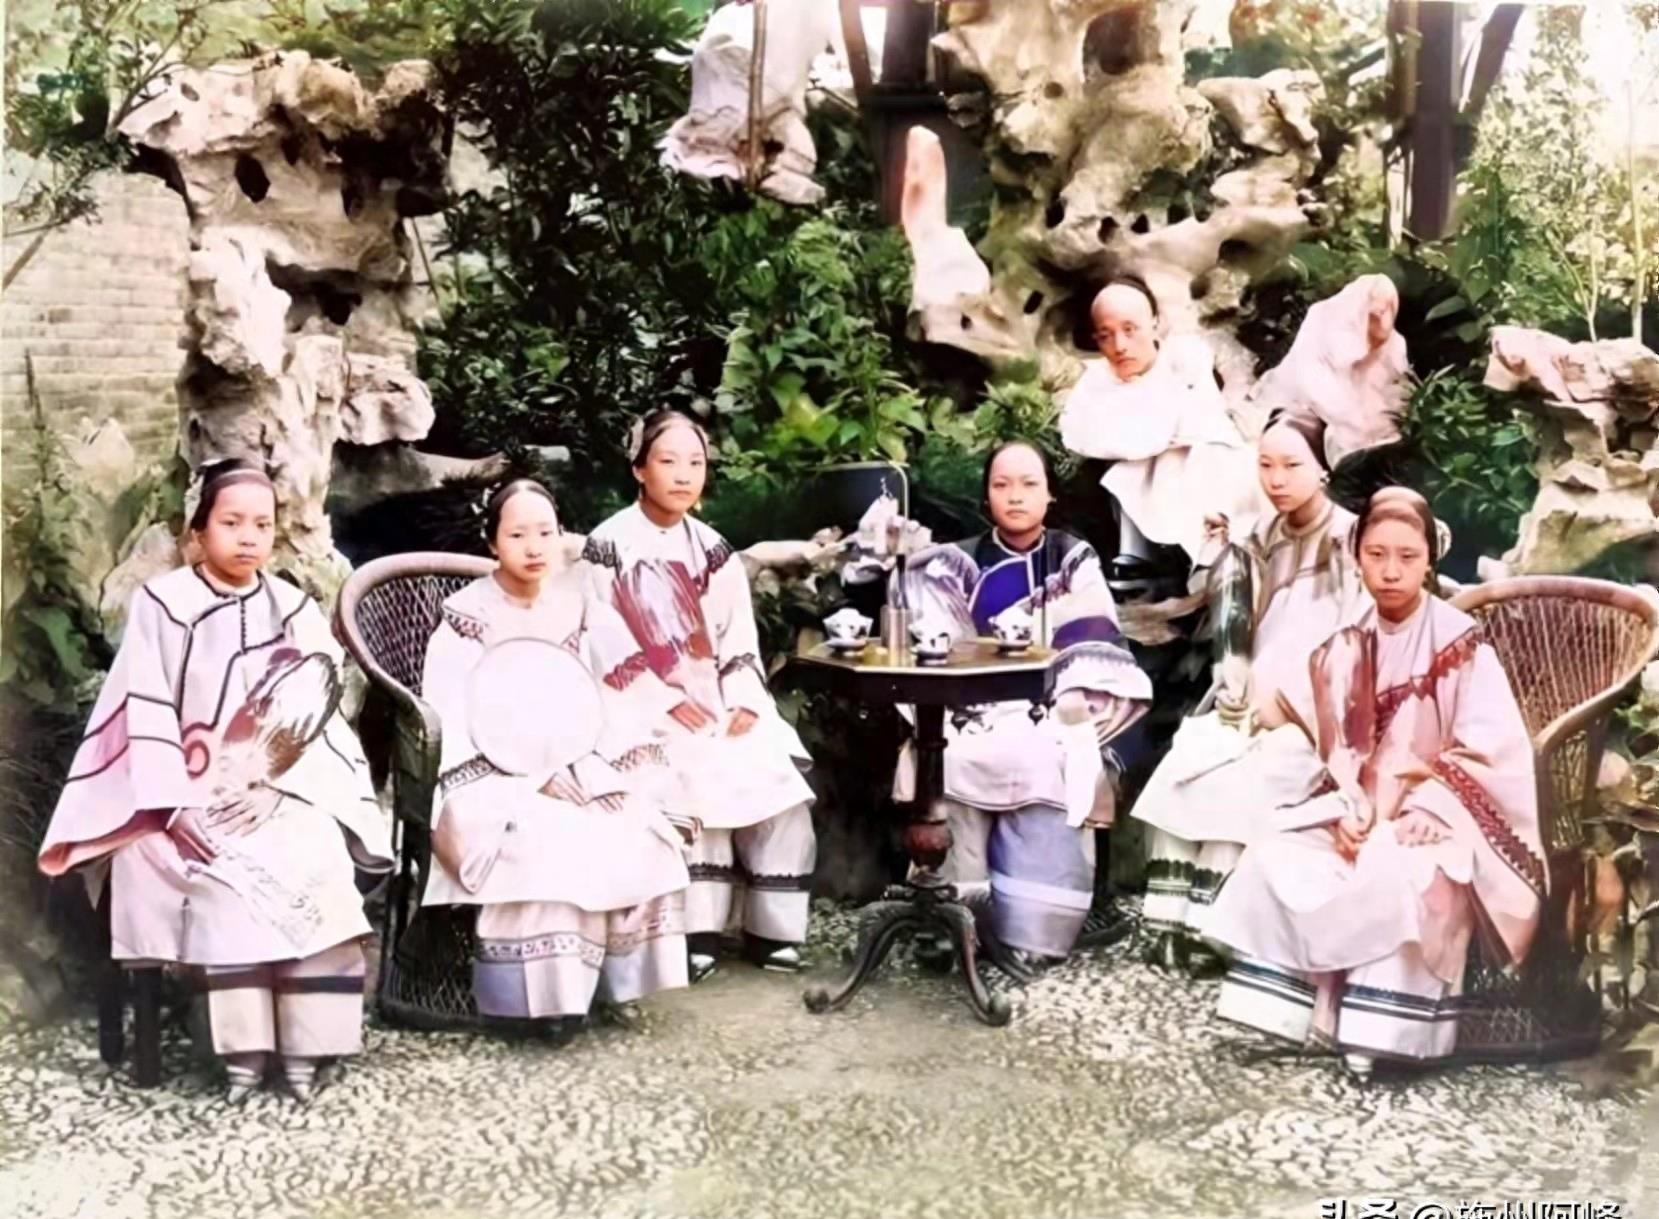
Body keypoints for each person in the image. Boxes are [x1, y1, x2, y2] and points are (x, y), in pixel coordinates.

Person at [37, 459, 393, 1101]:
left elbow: (317, 712)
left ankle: (308, 1050)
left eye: (263, 523)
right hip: (179, 797)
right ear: (196, 531)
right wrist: (177, 806)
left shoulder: (291, 607)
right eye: (231, 522)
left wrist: (277, 786)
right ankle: (243, 1053)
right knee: (214, 876)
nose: (249, 537)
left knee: (312, 849)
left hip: (278, 790)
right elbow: (143, 708)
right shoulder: (165, 604)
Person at [1208, 488, 1544, 1078]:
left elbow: (1494, 749)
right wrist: (1347, 806)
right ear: (1356, 555)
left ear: (1429, 560)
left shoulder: (1460, 642)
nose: (1390, 571)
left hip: (1443, 818)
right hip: (1363, 810)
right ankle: (1292, 1014)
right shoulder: (1346, 643)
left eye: (1407, 557)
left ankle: (1379, 1027)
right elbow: (1341, 752)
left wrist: (1431, 808)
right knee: (1279, 850)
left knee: (1397, 868)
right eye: (1377, 554)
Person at [420, 479, 694, 1028]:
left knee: (631, 822)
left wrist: (609, 763)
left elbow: (614, 693)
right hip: (490, 773)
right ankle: (541, 1000)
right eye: (517, 534)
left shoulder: (576, 607)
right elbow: (450, 711)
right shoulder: (464, 618)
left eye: (545, 532)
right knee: (545, 836)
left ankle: (609, 984)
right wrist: (529, 777)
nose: (534, 546)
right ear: (492, 541)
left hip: (575, 756)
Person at [892, 441, 1153, 970]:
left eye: (1029, 484)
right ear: (987, 495)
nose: (1015, 496)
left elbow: (1090, 638)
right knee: (949, 758)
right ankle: (949, 920)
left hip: (1051, 705)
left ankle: (1032, 932)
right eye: (1002, 484)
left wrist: (1069, 707)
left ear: (1049, 494)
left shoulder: (1072, 556)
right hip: (970, 709)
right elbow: (929, 636)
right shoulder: (955, 562)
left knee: (1056, 756)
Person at [584, 411, 817, 978]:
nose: (684, 474)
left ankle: (773, 928)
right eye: (668, 461)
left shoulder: (714, 551)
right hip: (636, 707)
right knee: (692, 773)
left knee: (772, 769)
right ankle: (696, 931)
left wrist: (739, 698)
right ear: (640, 469)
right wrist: (661, 700)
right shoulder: (606, 547)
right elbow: (600, 641)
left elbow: (737, 641)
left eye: (695, 462)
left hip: (714, 696)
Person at [1132, 414, 1366, 971]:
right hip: (1253, 702)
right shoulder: (1259, 536)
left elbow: (1354, 646)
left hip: (1316, 714)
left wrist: (1292, 708)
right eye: (1265, 465)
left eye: (1292, 465)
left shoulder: (1354, 537)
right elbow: (1236, 630)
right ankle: (1168, 925)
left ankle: (1212, 928)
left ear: (1324, 470)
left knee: (1246, 781)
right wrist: (1234, 683)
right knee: (1187, 765)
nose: (1276, 478)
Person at [1058, 276, 1259, 570]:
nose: (1119, 346)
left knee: (1195, 463)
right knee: (1126, 474)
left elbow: (1179, 426)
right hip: (1137, 472)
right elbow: (1077, 434)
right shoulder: (1096, 379)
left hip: (1208, 461)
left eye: (1130, 330)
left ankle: (1202, 556)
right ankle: (1139, 557)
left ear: (1154, 322)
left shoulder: (1185, 356)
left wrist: (1136, 416)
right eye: (1105, 335)